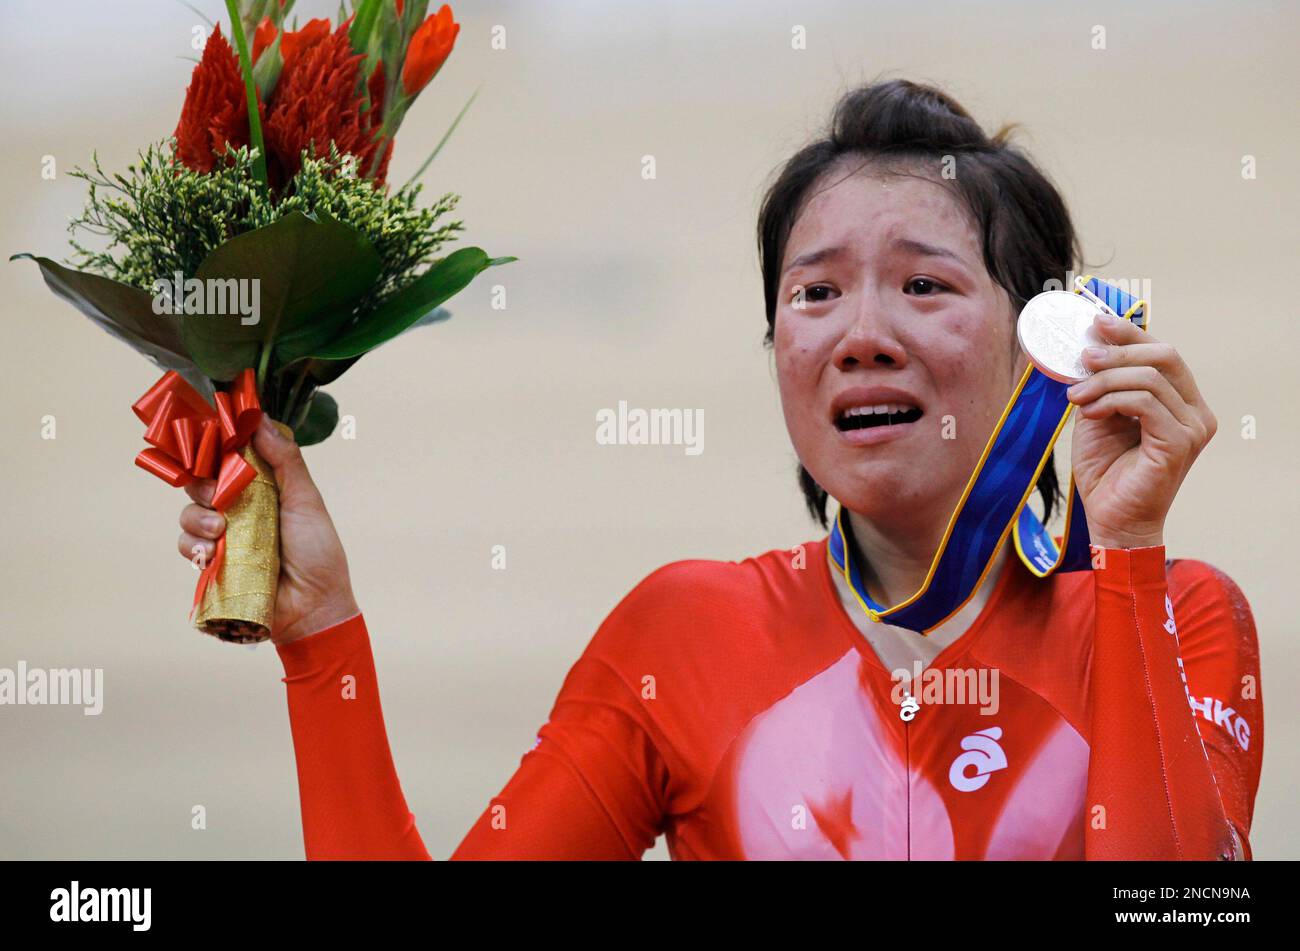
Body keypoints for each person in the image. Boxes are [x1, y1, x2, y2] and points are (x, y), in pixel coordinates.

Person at [175, 80, 1262, 860]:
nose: (860, 334)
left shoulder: (1179, 615)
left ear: (1049, 348)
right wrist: (322, 646)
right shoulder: (682, 632)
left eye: (924, 287)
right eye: (814, 292)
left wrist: (1123, 555)